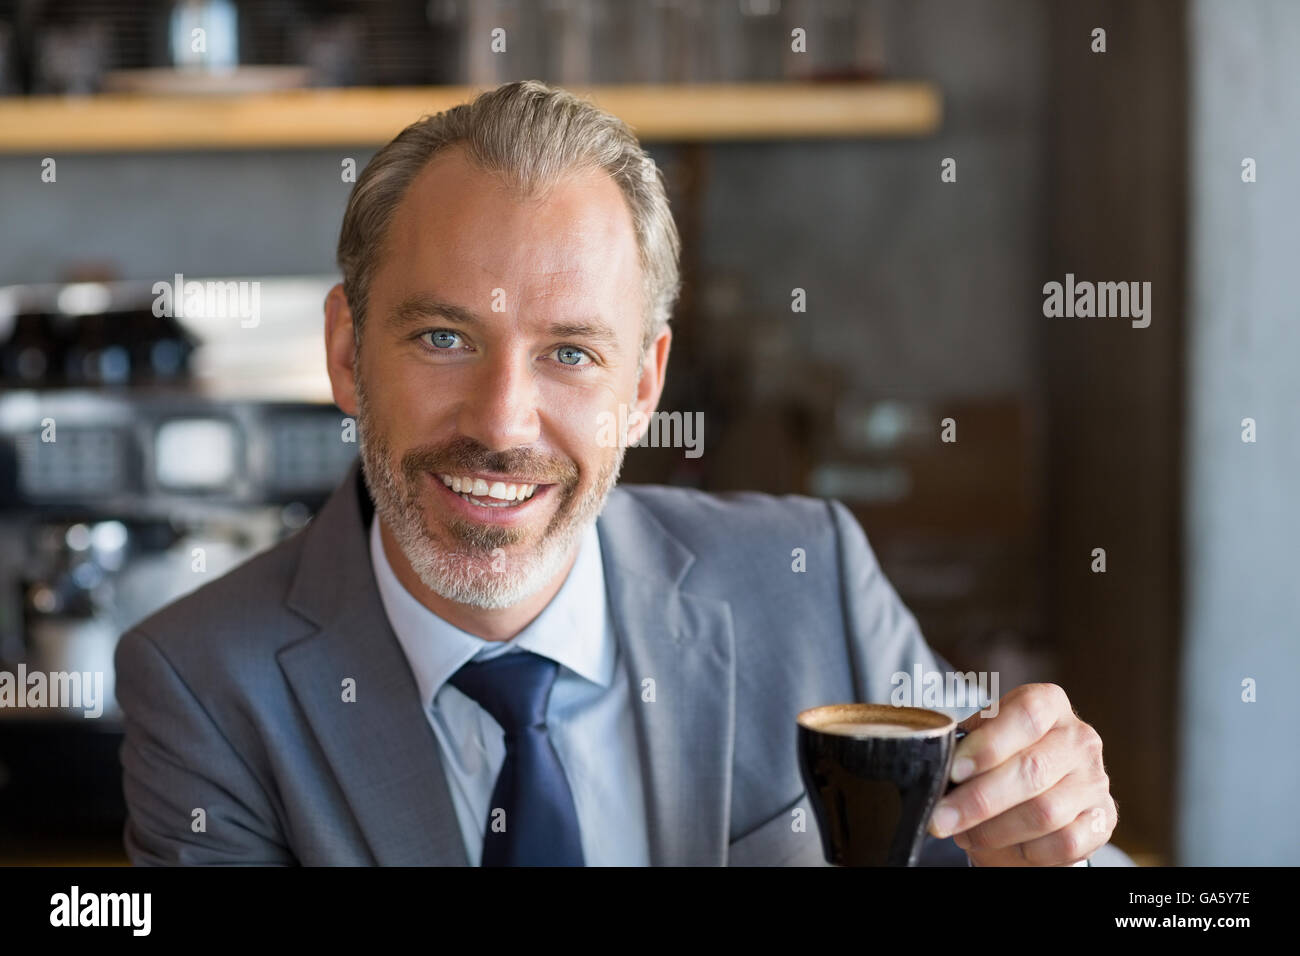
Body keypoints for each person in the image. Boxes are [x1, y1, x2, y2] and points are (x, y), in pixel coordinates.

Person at [116, 80, 1129, 867]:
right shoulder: (205, 683)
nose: (503, 421)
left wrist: (1048, 841)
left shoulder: (805, 574)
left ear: (643, 384)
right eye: (441, 336)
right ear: (346, 351)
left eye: (570, 353)